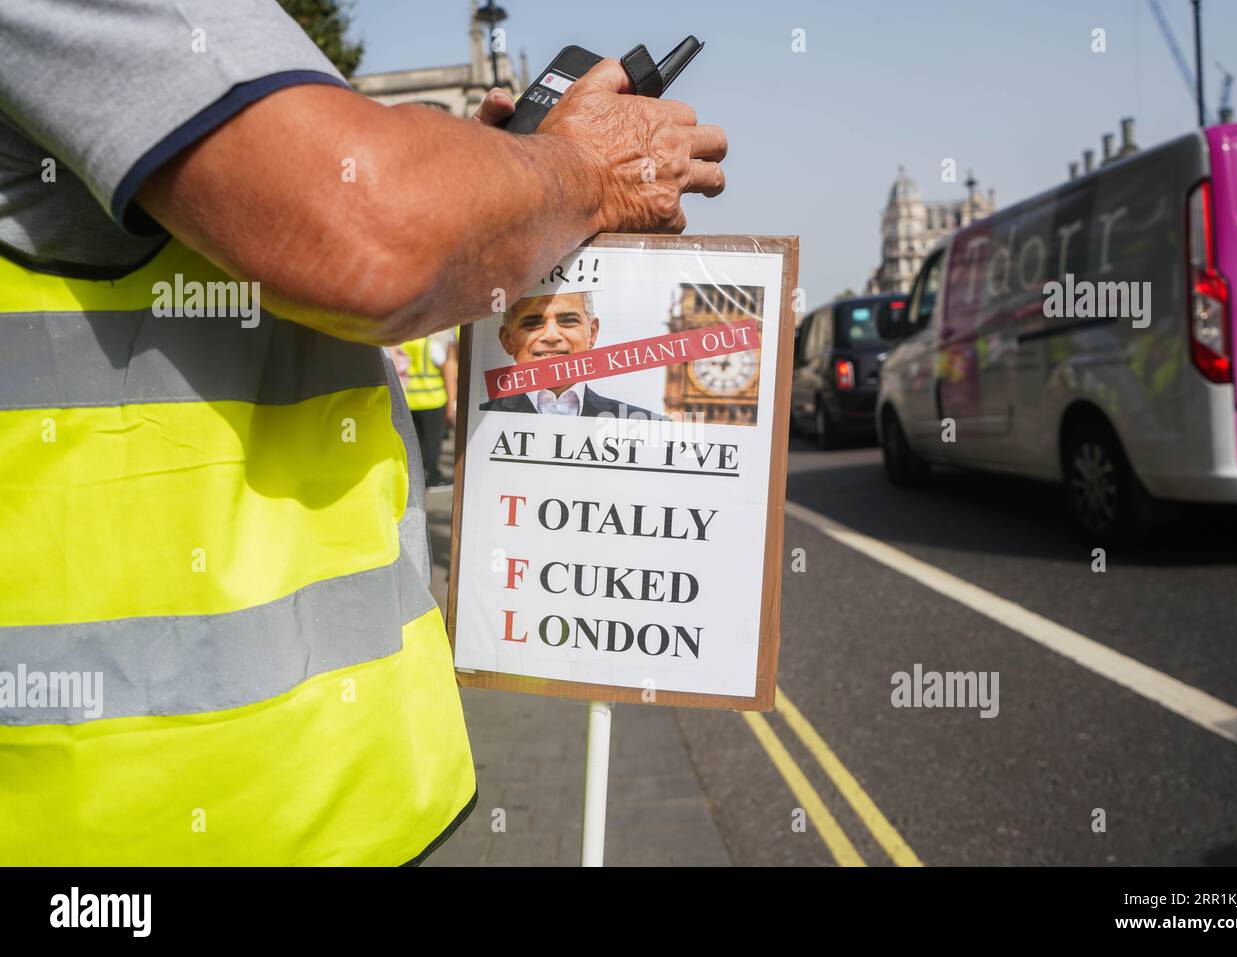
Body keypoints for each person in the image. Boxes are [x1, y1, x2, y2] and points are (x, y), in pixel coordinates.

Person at [0, 0, 725, 865]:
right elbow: (376, 232)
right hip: (167, 824)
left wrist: (493, 175)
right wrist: (576, 167)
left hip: (358, 799)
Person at [479, 291, 664, 418]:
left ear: (592, 333)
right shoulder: (477, 423)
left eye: (568, 321)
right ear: (507, 340)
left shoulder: (640, 427)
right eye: (532, 323)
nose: (551, 336)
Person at [393, 330, 455, 486]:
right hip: (432, 401)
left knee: (416, 444)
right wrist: (451, 402)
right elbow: (446, 370)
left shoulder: (403, 345)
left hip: (410, 401)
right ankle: (432, 474)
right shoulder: (430, 345)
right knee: (432, 441)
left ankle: (416, 476)